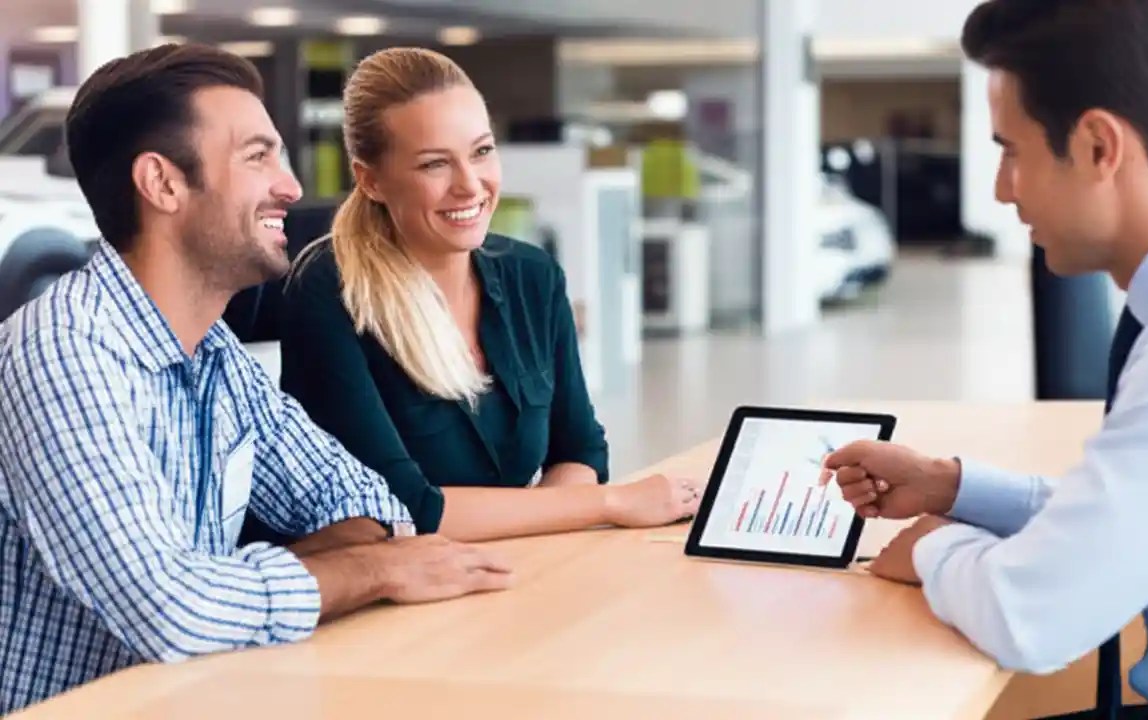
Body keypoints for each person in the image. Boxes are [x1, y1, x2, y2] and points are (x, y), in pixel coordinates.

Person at [0, 44, 511, 714]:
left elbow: (372, 508)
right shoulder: (63, 355)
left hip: (199, 696)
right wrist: (369, 570)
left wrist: (231, 588)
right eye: (257, 157)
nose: (292, 187)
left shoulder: (214, 352)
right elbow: (171, 611)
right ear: (162, 184)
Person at [824, 1, 1148, 719]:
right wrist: (950, 487)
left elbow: (1031, 614)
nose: (1003, 189)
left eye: (1013, 151)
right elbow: (1121, 519)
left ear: (1100, 147)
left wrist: (932, 549)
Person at [270, 47, 700, 543]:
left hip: (512, 574)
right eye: (435, 164)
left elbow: (579, 449)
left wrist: (548, 528)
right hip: (391, 596)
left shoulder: (532, 276)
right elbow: (400, 507)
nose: (471, 185)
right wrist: (608, 502)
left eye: (482, 151)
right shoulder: (331, 290)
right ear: (370, 179)